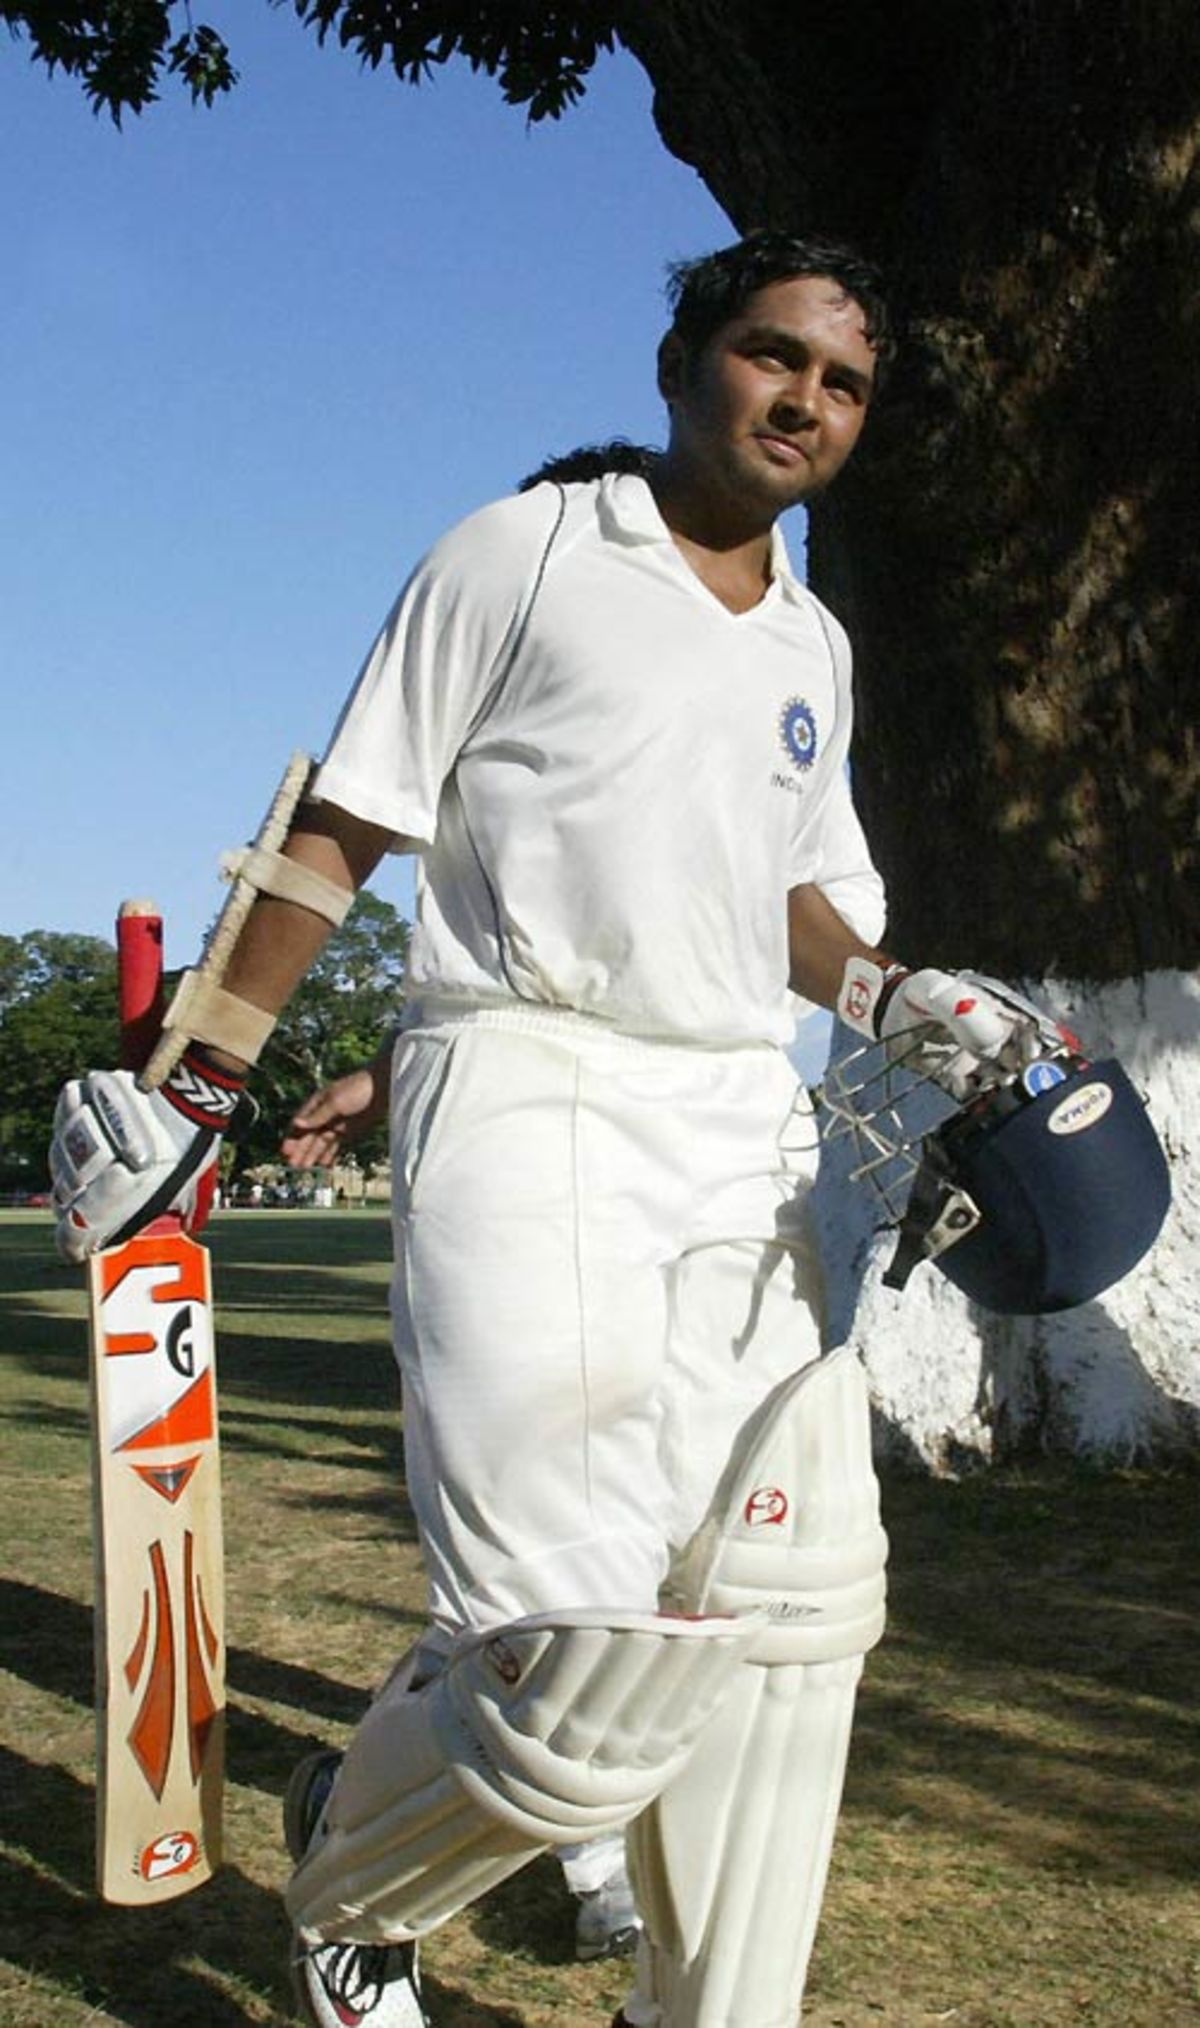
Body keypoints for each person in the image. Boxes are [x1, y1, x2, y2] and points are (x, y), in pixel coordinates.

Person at [52, 231, 1038, 2028]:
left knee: (780, 1618)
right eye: (773, 356)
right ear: (685, 367)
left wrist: (899, 994)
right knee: (576, 1654)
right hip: (527, 1075)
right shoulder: (523, 552)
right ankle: (355, 1874)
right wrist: (200, 1087)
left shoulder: (815, 642)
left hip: (744, 1126)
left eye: (843, 383)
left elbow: (798, 894)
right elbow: (343, 826)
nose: (805, 399)